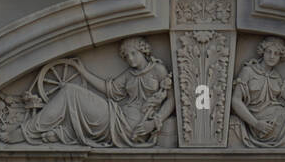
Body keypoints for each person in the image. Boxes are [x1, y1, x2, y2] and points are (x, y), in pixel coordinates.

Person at [10, 37, 176, 148]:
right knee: (70, 91)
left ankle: (28, 132)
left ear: (143, 50)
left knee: (70, 92)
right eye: (126, 57)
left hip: (131, 128)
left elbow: (171, 100)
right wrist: (83, 72)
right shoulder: (128, 74)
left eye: (134, 54)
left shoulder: (159, 70)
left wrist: (153, 123)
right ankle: (56, 132)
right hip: (116, 115)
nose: (130, 59)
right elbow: (108, 89)